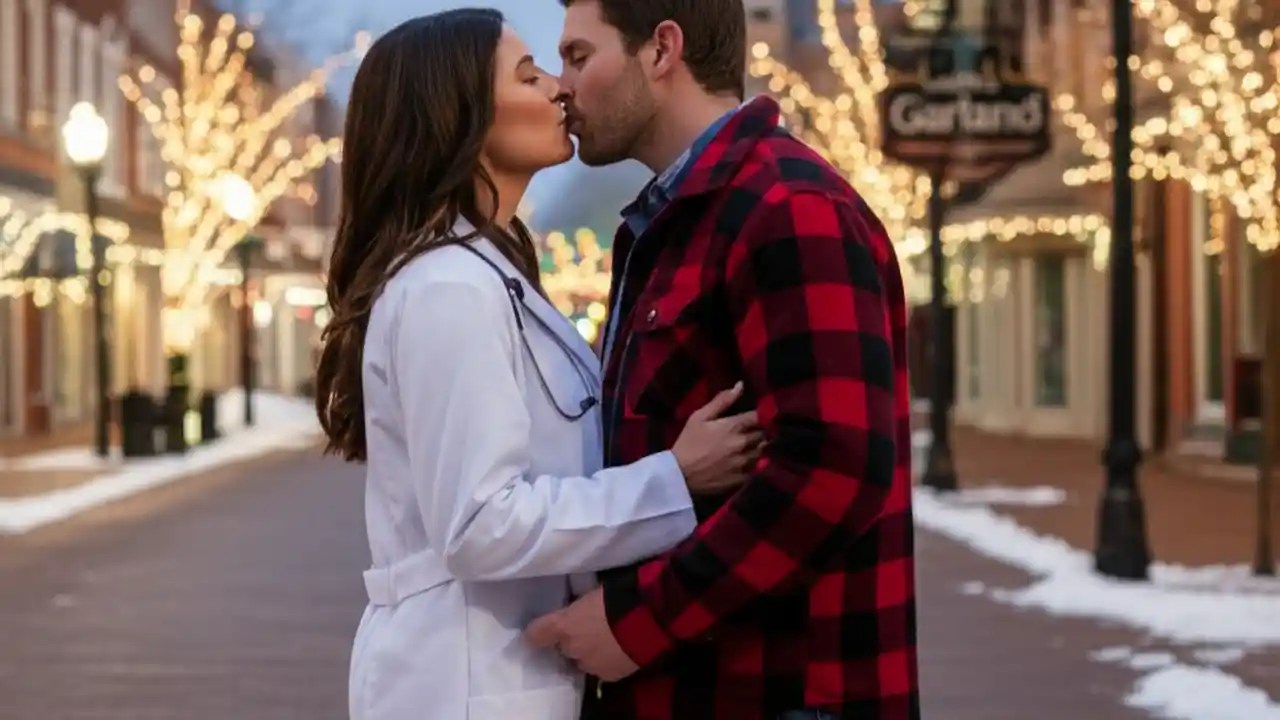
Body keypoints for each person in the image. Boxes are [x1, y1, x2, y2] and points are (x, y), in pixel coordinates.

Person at [313, 10, 762, 720]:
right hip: (464, 684)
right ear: (459, 116)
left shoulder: (488, 271)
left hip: (503, 672)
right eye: (529, 76)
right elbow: (480, 523)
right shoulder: (447, 288)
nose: (559, 87)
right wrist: (671, 479)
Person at [526, 1, 920, 719]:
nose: (561, 85)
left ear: (662, 50)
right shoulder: (676, 220)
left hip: (786, 692)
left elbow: (833, 469)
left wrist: (637, 622)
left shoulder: (787, 205)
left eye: (579, 57)